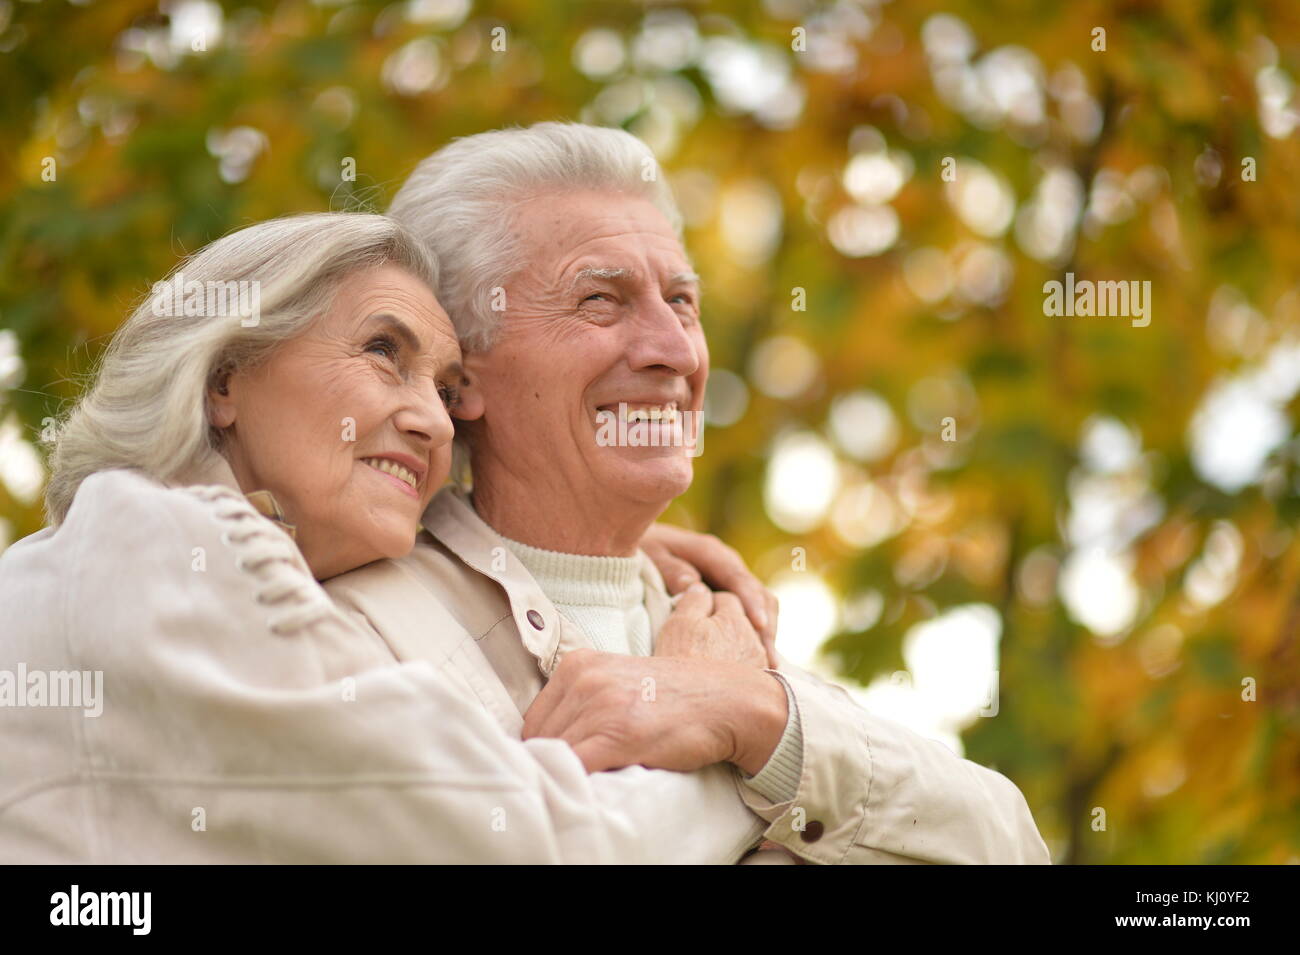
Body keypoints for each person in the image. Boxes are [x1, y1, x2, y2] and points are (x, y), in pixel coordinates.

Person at [323, 122, 1054, 864]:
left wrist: (754, 715)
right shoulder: (352, 628)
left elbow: (1010, 844)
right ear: (461, 372)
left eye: (681, 301)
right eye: (601, 301)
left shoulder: (720, 633)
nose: (674, 350)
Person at [0, 211, 781, 863]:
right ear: (225, 378)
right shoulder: (149, 543)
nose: (435, 421)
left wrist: (602, 549)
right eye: (383, 351)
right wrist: (724, 715)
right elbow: (531, 848)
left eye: (446, 389)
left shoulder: (153, 568)